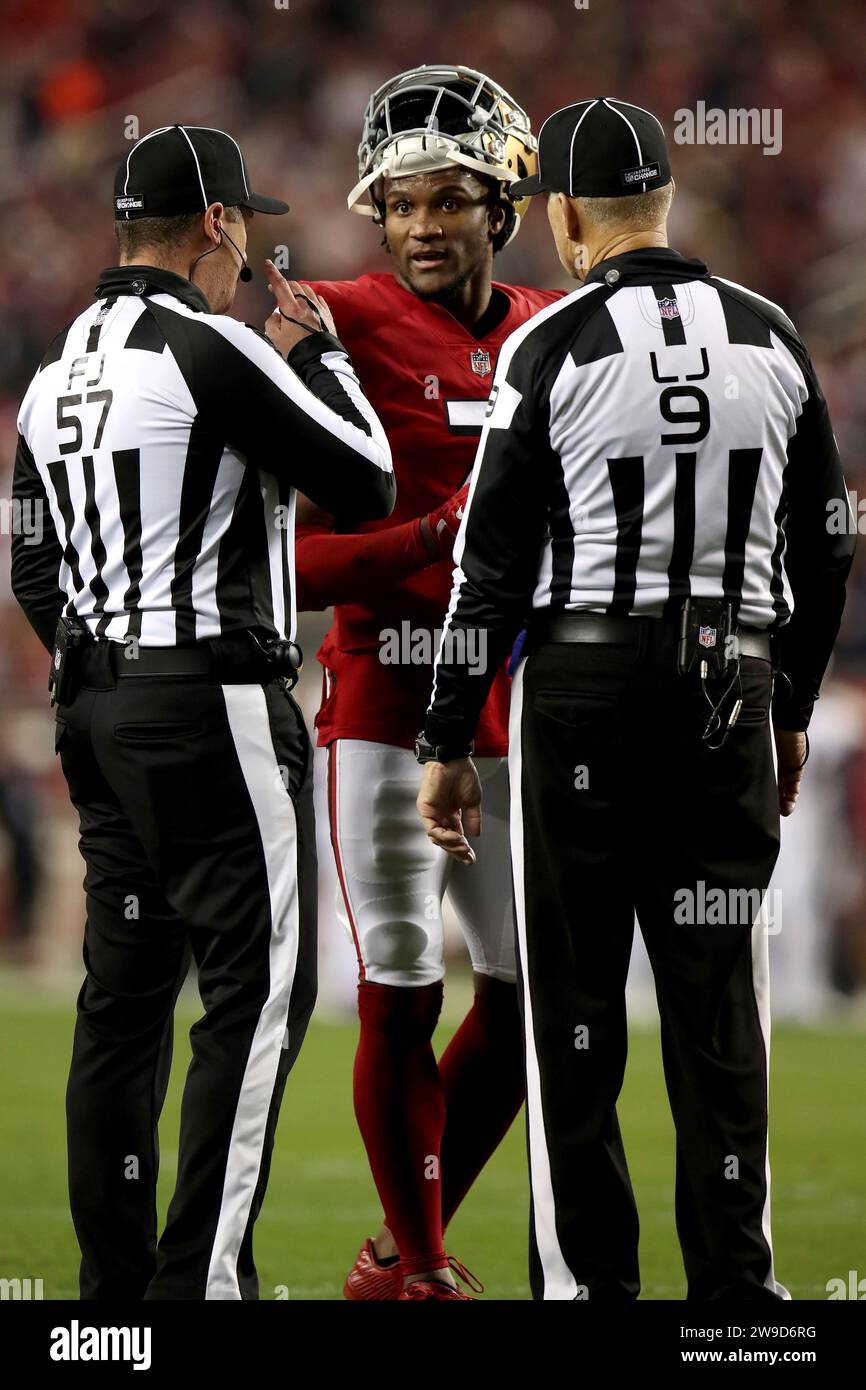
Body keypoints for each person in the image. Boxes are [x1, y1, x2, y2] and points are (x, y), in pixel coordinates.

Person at [416, 96, 855, 1300]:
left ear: (560, 215)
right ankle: (734, 1298)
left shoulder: (546, 347)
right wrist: (788, 708)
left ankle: (584, 1289)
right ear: (662, 200)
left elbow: (489, 568)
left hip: (587, 688)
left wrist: (448, 737)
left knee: (573, 1010)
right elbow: (826, 546)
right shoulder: (772, 336)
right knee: (719, 1012)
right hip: (729, 682)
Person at [10, 123, 394, 1301]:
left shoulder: (53, 371)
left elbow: (32, 570)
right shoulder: (211, 349)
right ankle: (203, 1284)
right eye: (245, 231)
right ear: (218, 226)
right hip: (212, 702)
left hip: (98, 703)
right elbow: (365, 479)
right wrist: (320, 356)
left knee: (121, 1003)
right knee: (260, 988)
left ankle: (112, 1298)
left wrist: (107, 674)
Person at [294, 65, 562, 1299]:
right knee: (397, 982)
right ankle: (424, 1268)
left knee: (523, 1002)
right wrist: (424, 541)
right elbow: (280, 561)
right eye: (398, 202)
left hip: (515, 710)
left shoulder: (552, 330)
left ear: (500, 202)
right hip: (383, 709)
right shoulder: (327, 320)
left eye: (448, 199)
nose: (418, 225)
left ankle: (397, 1250)